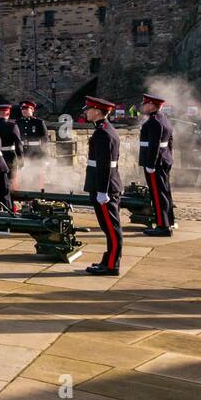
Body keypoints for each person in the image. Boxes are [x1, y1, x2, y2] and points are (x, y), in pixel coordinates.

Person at [83, 96, 123, 276]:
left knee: (111, 228)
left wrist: (102, 191)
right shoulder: (104, 130)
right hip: (104, 185)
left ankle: (112, 264)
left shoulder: (103, 133)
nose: (86, 112)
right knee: (108, 227)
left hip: (105, 188)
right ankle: (108, 260)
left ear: (98, 111)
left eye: (89, 109)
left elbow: (105, 165)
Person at [139, 93, 176, 236]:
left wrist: (150, 164)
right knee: (165, 192)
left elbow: (154, 145)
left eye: (145, 104)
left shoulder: (154, 121)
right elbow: (170, 143)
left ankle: (163, 226)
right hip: (164, 160)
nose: (143, 106)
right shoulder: (164, 119)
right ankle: (168, 221)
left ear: (152, 105)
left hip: (155, 163)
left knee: (157, 194)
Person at [0, 103, 23, 181]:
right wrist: (20, 158)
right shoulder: (13, 126)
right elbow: (18, 144)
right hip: (9, 156)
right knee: (10, 179)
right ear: (8, 113)